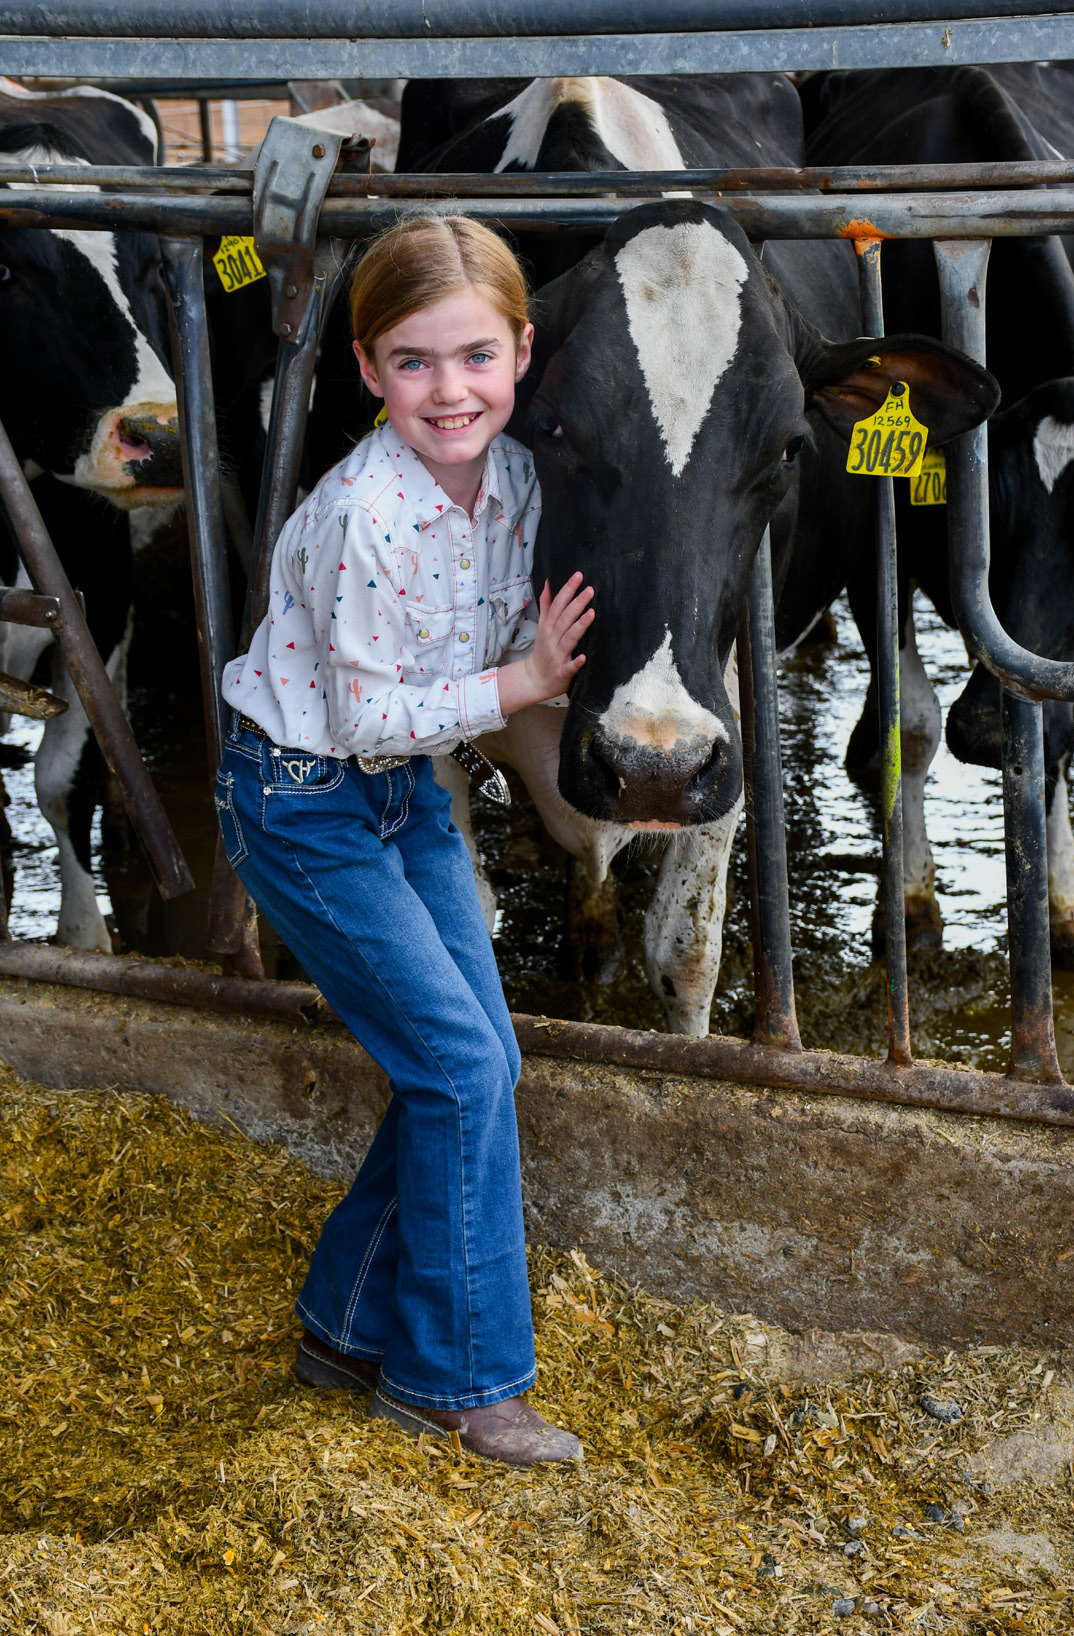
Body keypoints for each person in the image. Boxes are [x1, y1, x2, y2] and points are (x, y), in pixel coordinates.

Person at [216, 215, 594, 1467]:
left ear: (523, 353)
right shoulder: (363, 512)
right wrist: (527, 682)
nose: (452, 391)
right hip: (304, 801)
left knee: (482, 1059)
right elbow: (374, 709)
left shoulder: (522, 482)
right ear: (369, 370)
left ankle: (343, 1319)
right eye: (416, 363)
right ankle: (457, 1378)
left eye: (476, 356)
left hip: (399, 795)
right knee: (461, 1068)